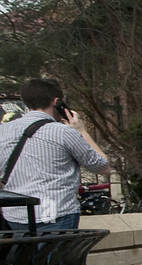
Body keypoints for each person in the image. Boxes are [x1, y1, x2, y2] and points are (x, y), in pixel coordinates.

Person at [0, 79, 110, 231]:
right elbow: (103, 166)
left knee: (26, 255)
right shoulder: (64, 132)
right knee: (57, 255)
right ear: (57, 102)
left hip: (15, 217)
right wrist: (81, 131)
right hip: (56, 214)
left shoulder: (3, 132)